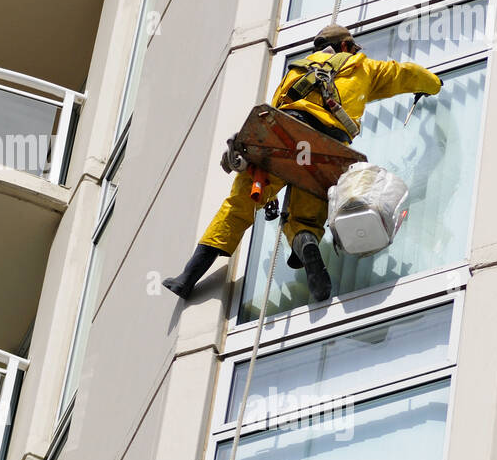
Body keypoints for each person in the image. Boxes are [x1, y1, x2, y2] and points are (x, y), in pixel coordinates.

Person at [162, 23, 442, 302]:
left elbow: (274, 110)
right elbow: (406, 74)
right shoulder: (365, 68)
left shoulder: (297, 69)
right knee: (306, 218)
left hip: (284, 136)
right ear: (346, 46)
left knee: (237, 207)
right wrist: (434, 84)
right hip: (327, 150)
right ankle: (307, 245)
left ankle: (187, 278)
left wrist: (254, 160)